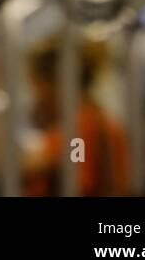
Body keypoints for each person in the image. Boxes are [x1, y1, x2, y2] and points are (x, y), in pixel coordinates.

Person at [23, 35, 130, 196]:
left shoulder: (79, 128)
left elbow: (79, 181)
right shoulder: (98, 119)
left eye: (37, 86)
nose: (37, 97)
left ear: (55, 83)